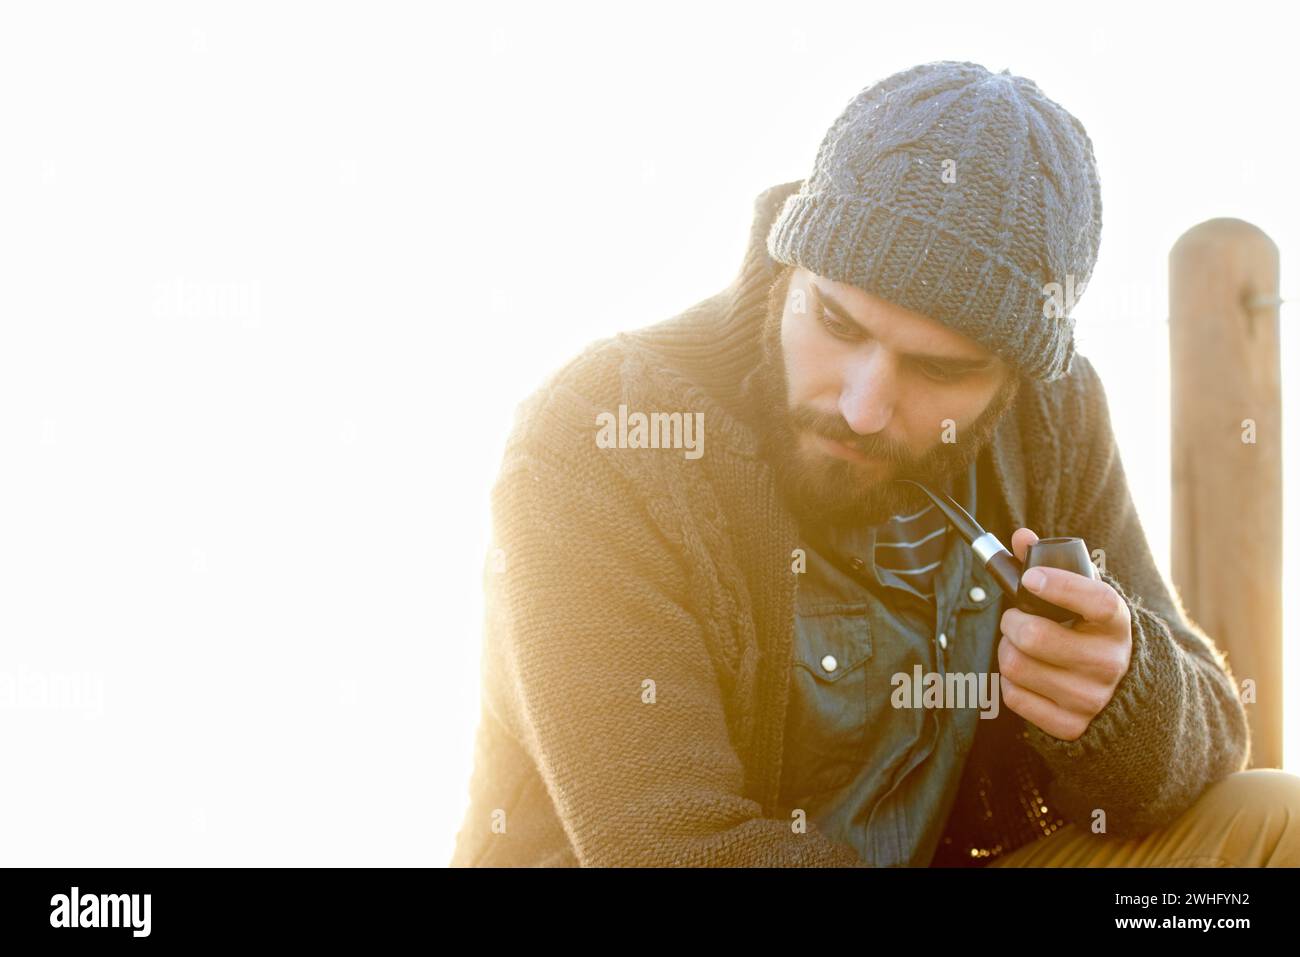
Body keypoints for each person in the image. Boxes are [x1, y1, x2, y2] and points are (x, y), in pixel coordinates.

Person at [451, 60, 1300, 867]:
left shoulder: (1054, 415)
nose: (862, 404)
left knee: (1276, 828)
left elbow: (1215, 732)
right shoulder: (606, 433)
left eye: (940, 370)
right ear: (792, 266)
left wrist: (1124, 702)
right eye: (838, 323)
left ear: (1012, 379)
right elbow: (672, 847)